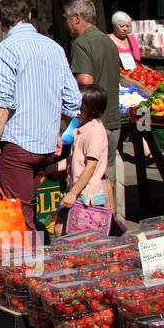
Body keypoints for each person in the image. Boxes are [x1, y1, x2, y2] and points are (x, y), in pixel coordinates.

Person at [0, 0, 81, 234]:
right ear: (30, 16)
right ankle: (31, 263)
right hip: (44, 145)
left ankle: (31, 266)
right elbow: (73, 100)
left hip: (18, 145)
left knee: (20, 217)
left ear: (1, 23)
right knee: (25, 210)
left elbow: (2, 104)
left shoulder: (6, 49)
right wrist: (56, 131)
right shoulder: (53, 47)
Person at [64, 0, 122, 203]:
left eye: (67, 19)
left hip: (94, 121)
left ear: (77, 18)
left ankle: (94, 225)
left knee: (89, 178)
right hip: (113, 118)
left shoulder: (82, 43)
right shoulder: (108, 40)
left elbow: (86, 81)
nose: (66, 24)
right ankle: (112, 221)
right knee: (106, 176)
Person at [56, 85, 113, 236]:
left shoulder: (94, 133)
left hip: (86, 196)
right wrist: (49, 169)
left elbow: (90, 167)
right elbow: (74, 161)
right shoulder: (84, 129)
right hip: (77, 192)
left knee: (78, 237)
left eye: (80, 106)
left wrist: (73, 193)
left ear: (92, 109)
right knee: (60, 229)